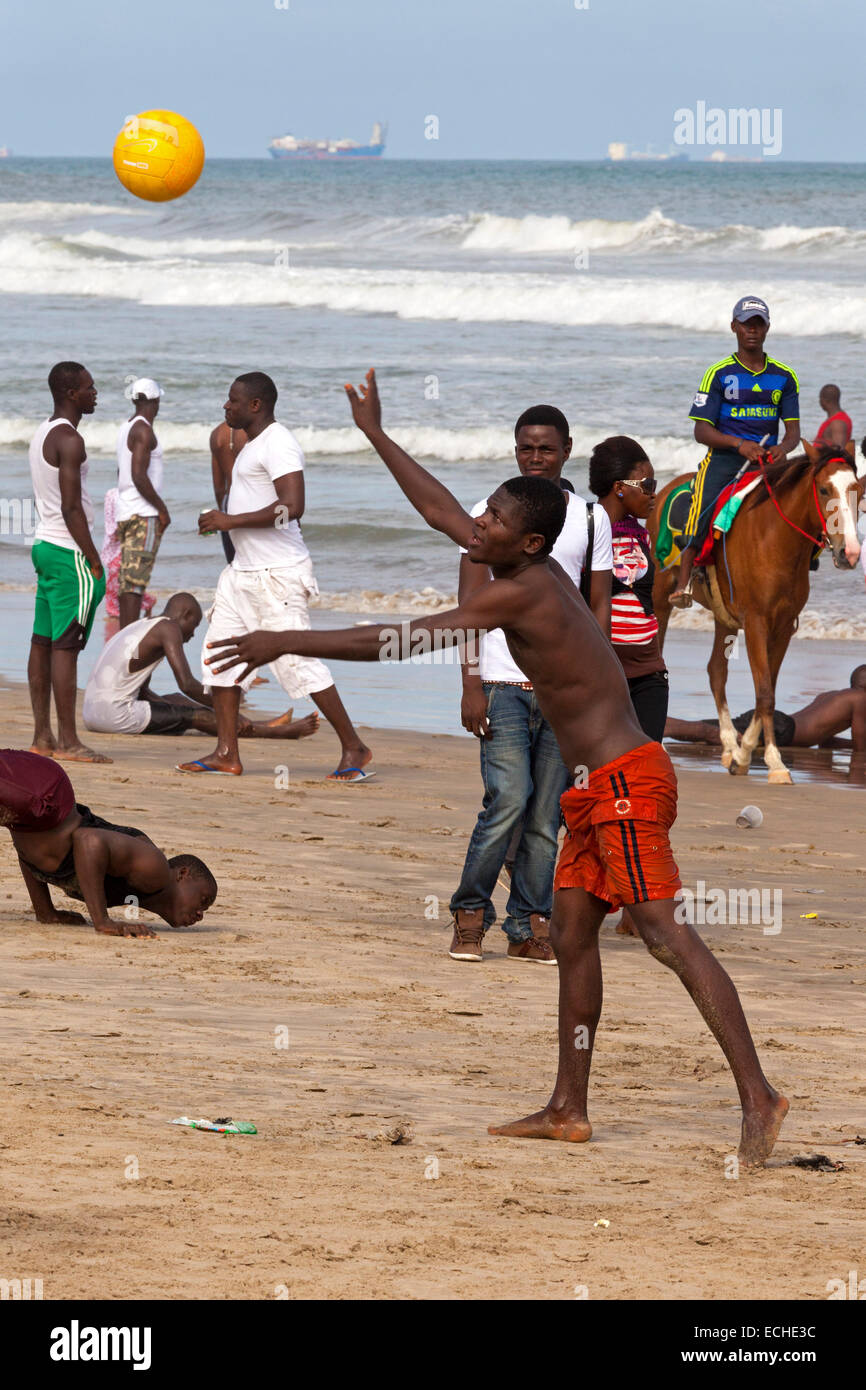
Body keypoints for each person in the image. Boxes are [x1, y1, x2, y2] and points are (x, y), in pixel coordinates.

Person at [207, 368, 788, 1165]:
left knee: (664, 934)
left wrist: (286, 641)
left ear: (529, 544)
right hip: (594, 792)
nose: (475, 526)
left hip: (624, 785)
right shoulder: (522, 560)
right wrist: (376, 433)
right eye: (483, 515)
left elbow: (399, 638)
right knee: (574, 939)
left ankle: (759, 1095)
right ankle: (567, 1107)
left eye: (493, 522)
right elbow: (442, 509)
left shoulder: (524, 594)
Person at [450, 404, 612, 965]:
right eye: (526, 448)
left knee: (547, 814)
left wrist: (594, 695)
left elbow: (598, 613)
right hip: (500, 683)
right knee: (506, 801)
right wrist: (471, 684)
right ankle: (470, 916)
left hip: (561, 693)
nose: (535, 457)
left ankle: (528, 926)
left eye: (546, 448)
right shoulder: (489, 515)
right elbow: (469, 608)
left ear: (568, 449)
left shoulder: (592, 519)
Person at [179, 372, 370, 779]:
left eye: (232, 401)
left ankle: (354, 746)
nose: (224, 407)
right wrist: (224, 523)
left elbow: (292, 506)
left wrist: (231, 519)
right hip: (241, 574)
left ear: (255, 405)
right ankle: (227, 753)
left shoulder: (279, 441)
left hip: (277, 573)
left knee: (296, 663)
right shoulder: (251, 446)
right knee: (219, 658)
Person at [0, 748, 217, 938]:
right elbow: (88, 840)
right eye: (204, 900)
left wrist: (46, 912)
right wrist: (102, 921)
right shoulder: (155, 869)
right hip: (42, 794)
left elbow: (31, 854)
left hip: (34, 806)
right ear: (182, 874)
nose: (200, 914)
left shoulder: (130, 891)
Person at [670, 296, 800, 606]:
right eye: (746, 324)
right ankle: (685, 580)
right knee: (703, 508)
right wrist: (739, 445)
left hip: (768, 463)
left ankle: (803, 568)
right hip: (725, 460)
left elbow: (794, 433)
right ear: (734, 327)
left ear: (767, 329)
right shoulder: (717, 373)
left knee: (804, 505)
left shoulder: (784, 377)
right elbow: (701, 431)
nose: (752, 330)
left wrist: (782, 449)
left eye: (759, 324)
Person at [83, 591, 319, 743]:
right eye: (194, 625)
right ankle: (276, 732)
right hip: (114, 716)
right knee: (194, 715)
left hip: (93, 712)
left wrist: (168, 704)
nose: (193, 634)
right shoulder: (169, 628)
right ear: (184, 615)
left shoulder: (144, 626)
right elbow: (187, 684)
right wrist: (228, 709)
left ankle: (254, 724)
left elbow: (143, 691)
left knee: (176, 700)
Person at [28, 361, 109, 764]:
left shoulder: (43, 431)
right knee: (66, 646)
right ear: (73, 393)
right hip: (67, 551)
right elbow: (71, 505)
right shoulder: (69, 439)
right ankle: (69, 742)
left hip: (44, 545)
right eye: (90, 388)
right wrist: (93, 557)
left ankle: (43, 737)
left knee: (42, 642)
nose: (96, 393)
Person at [589, 436, 668, 741]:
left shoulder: (641, 536)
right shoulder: (586, 531)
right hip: (602, 671)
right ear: (619, 487)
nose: (653, 494)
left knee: (646, 765)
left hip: (649, 670)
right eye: (647, 485)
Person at [665, 666, 866, 753]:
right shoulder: (861, 699)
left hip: (780, 722)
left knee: (718, 729)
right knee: (712, 734)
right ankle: (661, 726)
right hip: (782, 730)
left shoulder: (832, 696)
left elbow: (826, 742)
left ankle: (659, 723)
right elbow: (861, 748)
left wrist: (847, 745)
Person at [116, 378, 170, 629]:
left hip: (127, 511)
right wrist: (162, 509)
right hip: (143, 513)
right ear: (155, 401)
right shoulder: (144, 430)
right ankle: (127, 641)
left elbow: (122, 472)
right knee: (135, 583)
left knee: (128, 580)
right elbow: (139, 475)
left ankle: (123, 638)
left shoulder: (127, 427)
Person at [209, 419, 248, 566]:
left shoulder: (217, 434)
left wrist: (223, 513)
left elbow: (219, 487)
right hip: (252, 503)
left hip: (229, 501)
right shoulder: (254, 432)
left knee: (234, 563)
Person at [813, 384, 852, 449]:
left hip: (827, 459)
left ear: (825, 401)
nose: (819, 401)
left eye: (820, 399)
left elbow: (839, 451)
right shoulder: (836, 419)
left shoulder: (838, 423)